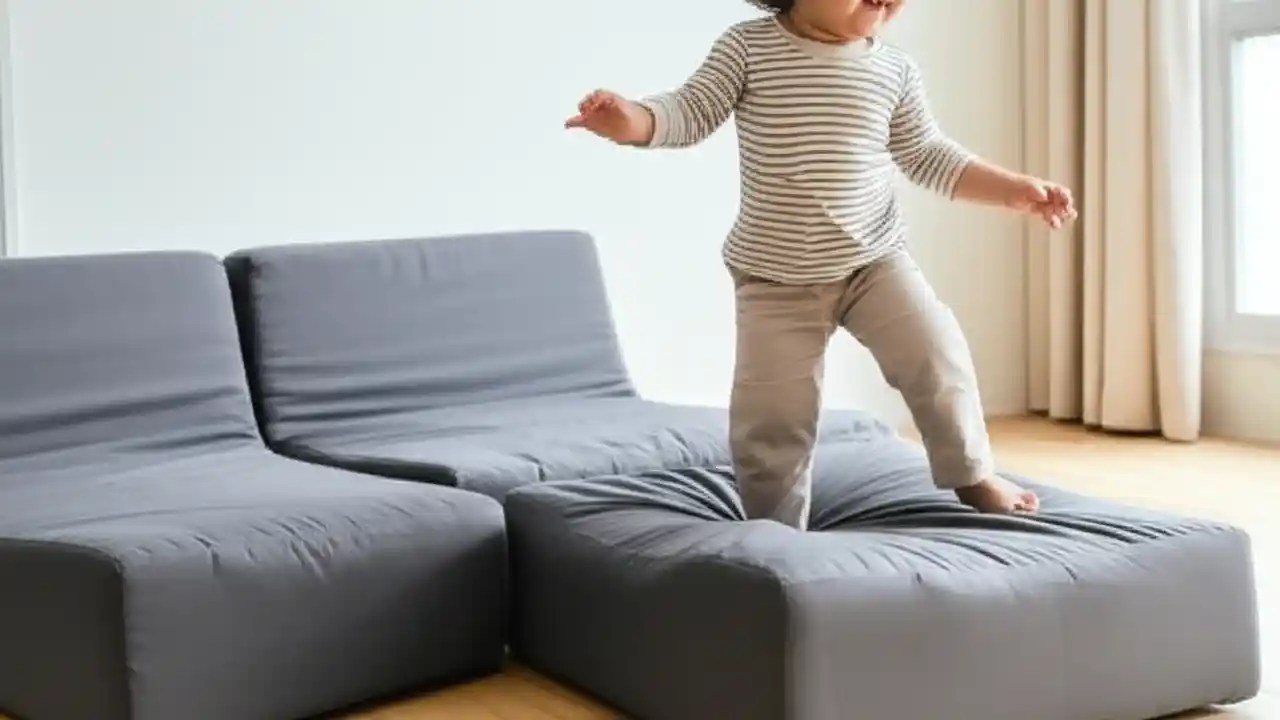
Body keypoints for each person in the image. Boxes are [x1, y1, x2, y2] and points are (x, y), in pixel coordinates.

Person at [564, 0, 1077, 530]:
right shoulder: (749, 48)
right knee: (773, 415)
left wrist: (1014, 191)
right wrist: (630, 120)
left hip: (874, 263)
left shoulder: (893, 69)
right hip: (773, 277)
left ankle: (972, 474)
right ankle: (776, 524)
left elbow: (928, 155)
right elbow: (687, 113)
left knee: (937, 354)